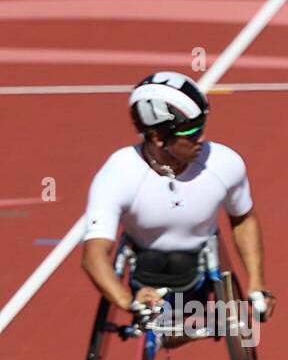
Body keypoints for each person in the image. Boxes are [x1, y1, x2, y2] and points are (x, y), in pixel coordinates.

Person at [81, 72, 275, 326]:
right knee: (161, 323)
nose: (202, 138)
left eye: (202, 127)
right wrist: (127, 300)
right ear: (157, 138)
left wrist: (256, 284)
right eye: (191, 132)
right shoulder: (117, 174)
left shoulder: (225, 163)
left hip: (199, 269)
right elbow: (93, 255)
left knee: (172, 327)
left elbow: (243, 219)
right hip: (144, 267)